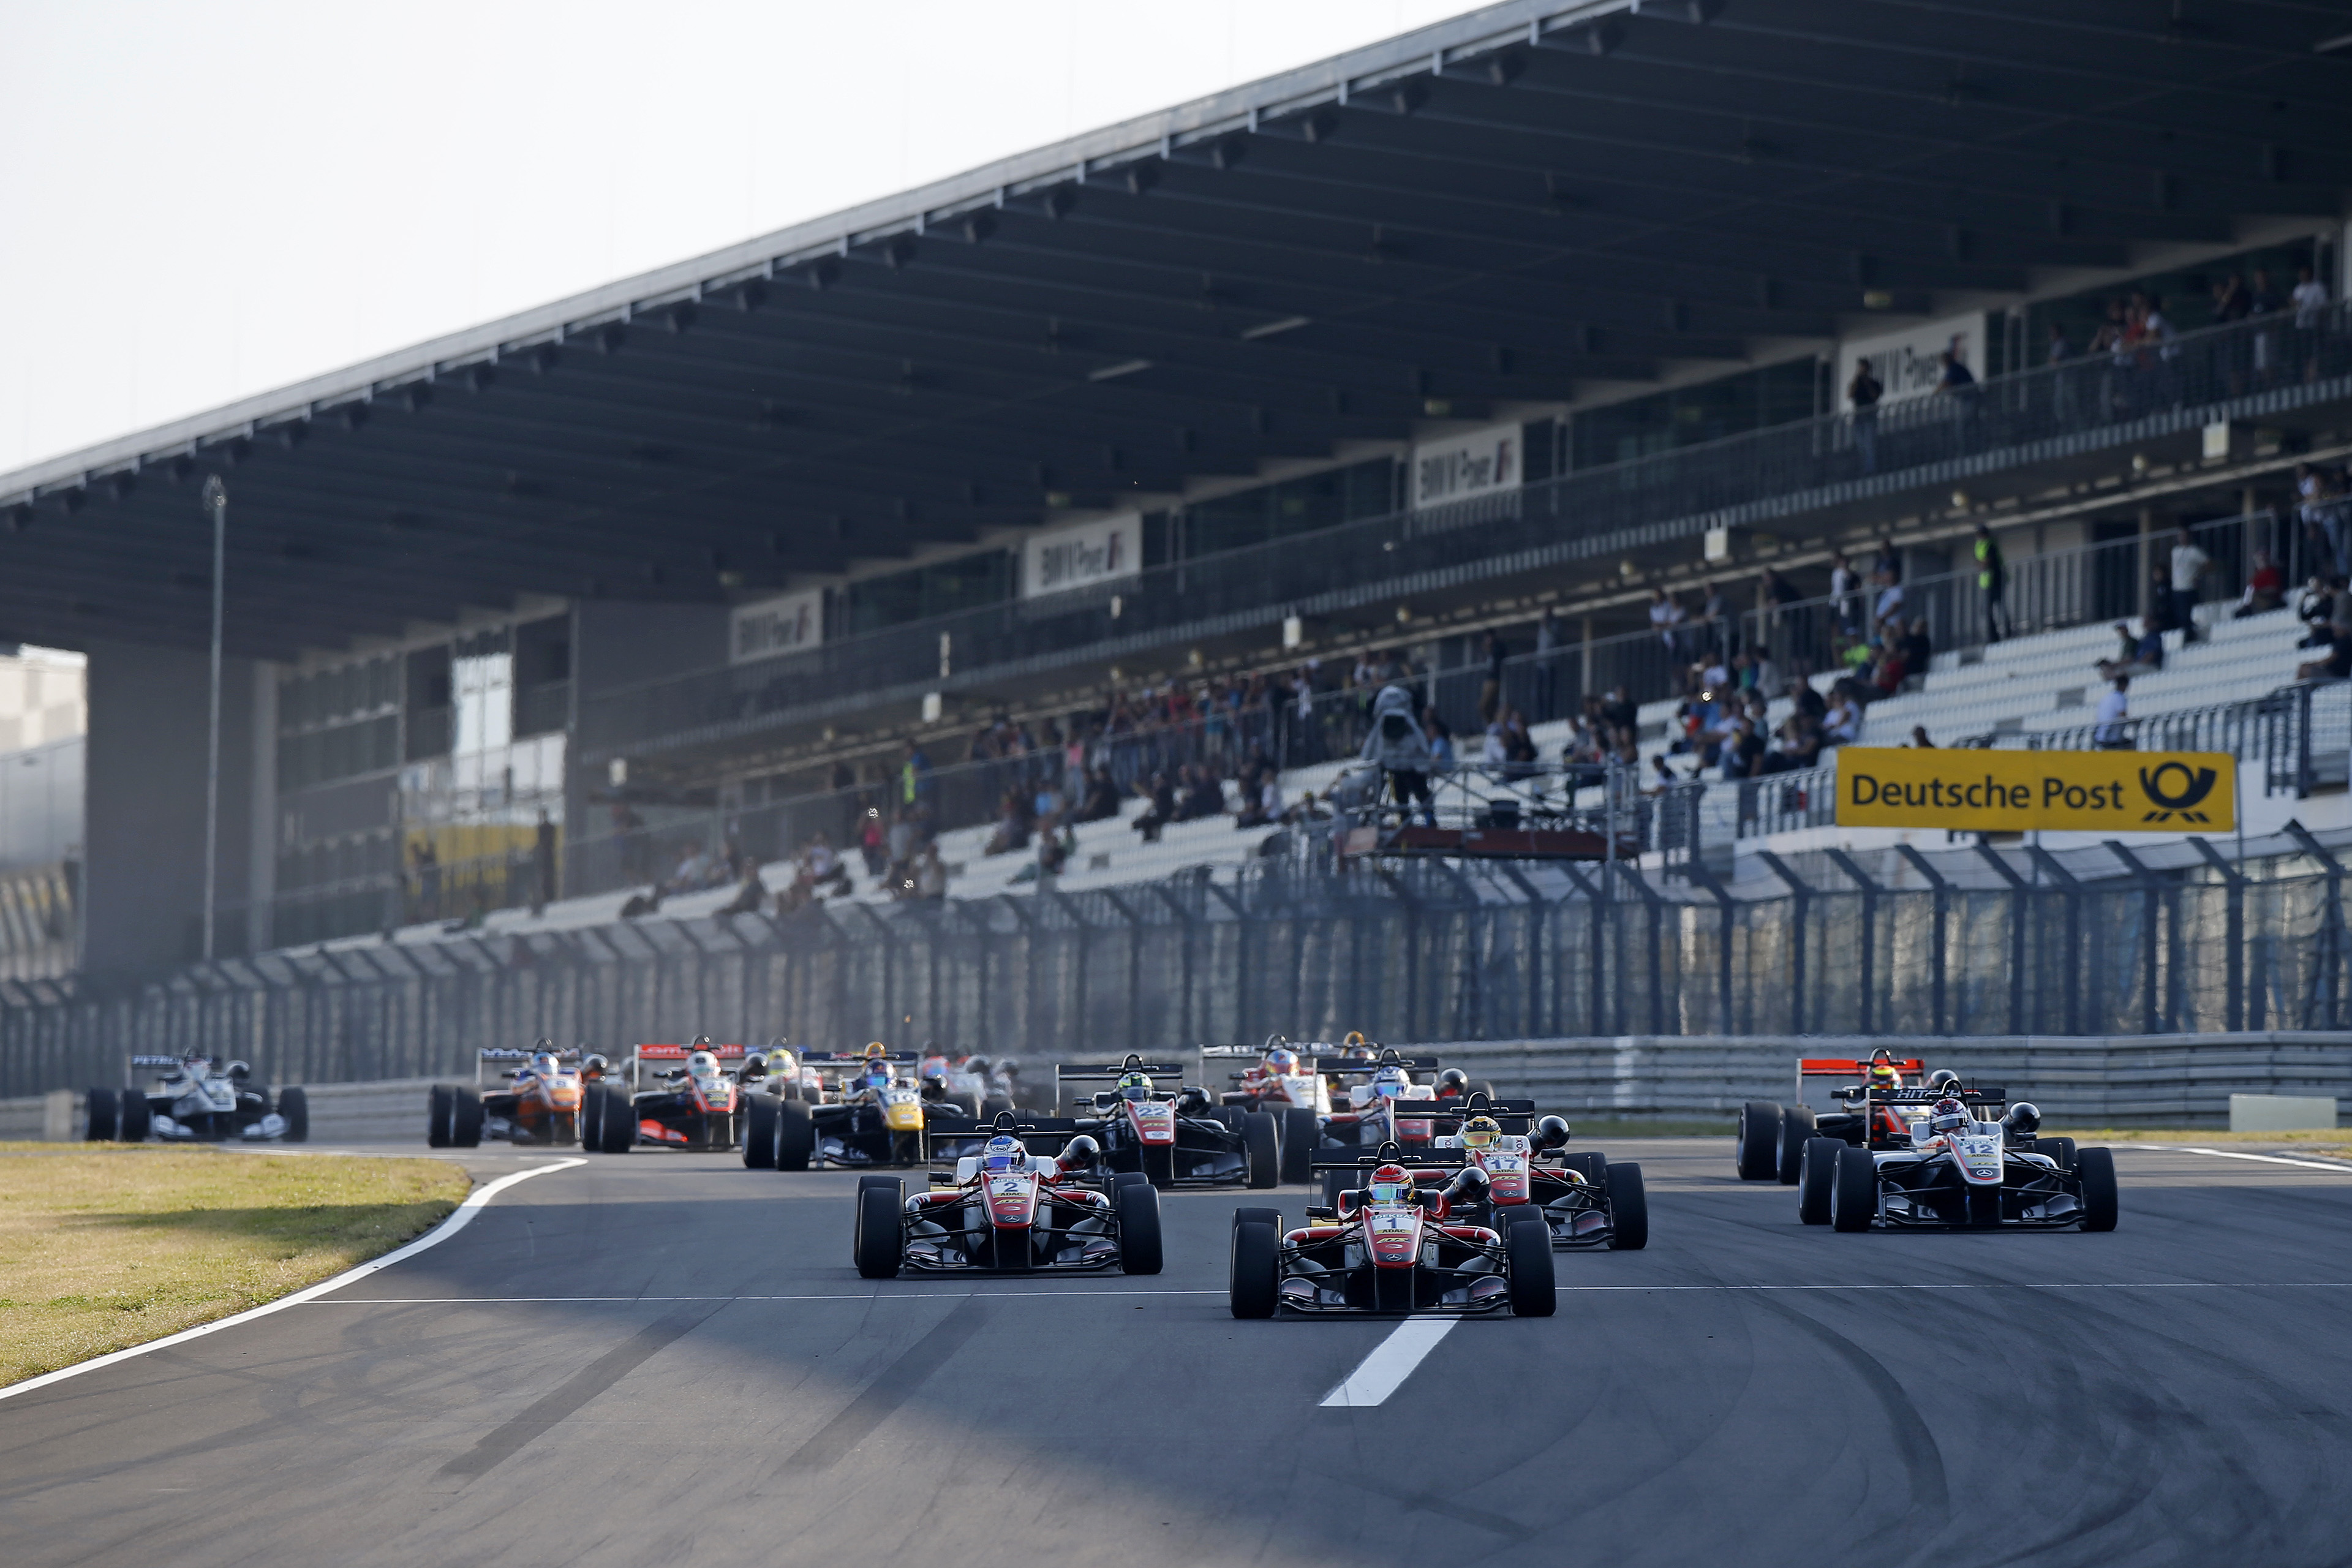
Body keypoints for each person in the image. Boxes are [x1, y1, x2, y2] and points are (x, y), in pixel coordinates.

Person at [1360, 681, 1435, 825]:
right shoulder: (1383, 726)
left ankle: (1429, 819)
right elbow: (1370, 749)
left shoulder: (1409, 726)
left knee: (1420, 792)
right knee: (1400, 794)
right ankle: (1403, 820)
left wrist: (1424, 761)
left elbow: (1422, 746)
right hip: (1391, 764)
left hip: (1409, 763)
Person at [2169, 527, 2211, 644]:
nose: (2182, 538)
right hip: (2177, 587)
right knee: (2179, 614)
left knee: (2186, 615)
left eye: (2184, 536)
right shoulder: (2175, 551)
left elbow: (2208, 563)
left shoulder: (2194, 551)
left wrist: (2198, 576)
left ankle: (2189, 637)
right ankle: (2185, 636)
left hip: (2188, 587)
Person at [1974, 522, 2010, 644]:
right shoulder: (1979, 545)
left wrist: (1983, 565)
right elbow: (1979, 562)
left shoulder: (1990, 544)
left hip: (1996, 579)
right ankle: (1993, 637)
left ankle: (2006, 633)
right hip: (1987, 581)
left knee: (2000, 608)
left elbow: (1987, 561)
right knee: (1990, 610)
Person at [2097, 619, 2165, 681]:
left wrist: (2113, 665)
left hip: (2150, 666)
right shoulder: (2141, 640)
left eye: (2122, 629)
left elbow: (2146, 657)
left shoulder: (2150, 638)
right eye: (2119, 630)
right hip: (2139, 665)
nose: (2121, 632)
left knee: (2120, 672)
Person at [1847, 356, 1882, 473]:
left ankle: (1870, 470)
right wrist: (1857, 379)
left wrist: (1867, 383)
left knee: (1869, 444)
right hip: (1858, 419)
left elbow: (1875, 396)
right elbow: (1849, 395)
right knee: (1860, 445)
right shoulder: (1856, 382)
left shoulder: (1874, 383)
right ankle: (1862, 469)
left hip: (1869, 417)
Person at [2236, 549, 2286, 618]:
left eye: (2263, 559)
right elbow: (2249, 592)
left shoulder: (2272, 572)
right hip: (2255, 604)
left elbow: (2274, 589)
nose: (2261, 561)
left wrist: (2259, 592)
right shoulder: (2255, 576)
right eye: (2259, 559)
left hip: (2269, 601)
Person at [2094, 676, 2134, 749]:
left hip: (2100, 735)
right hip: (2111, 736)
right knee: (2131, 745)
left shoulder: (2106, 697)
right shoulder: (2120, 697)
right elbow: (2122, 715)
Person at [1478, 628, 1507, 724]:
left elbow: (1499, 659)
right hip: (1488, 679)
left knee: (1485, 705)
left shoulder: (1497, 647)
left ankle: (1492, 724)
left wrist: (1489, 649)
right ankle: (1493, 723)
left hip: (1495, 679)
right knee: (1490, 705)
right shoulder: (1486, 648)